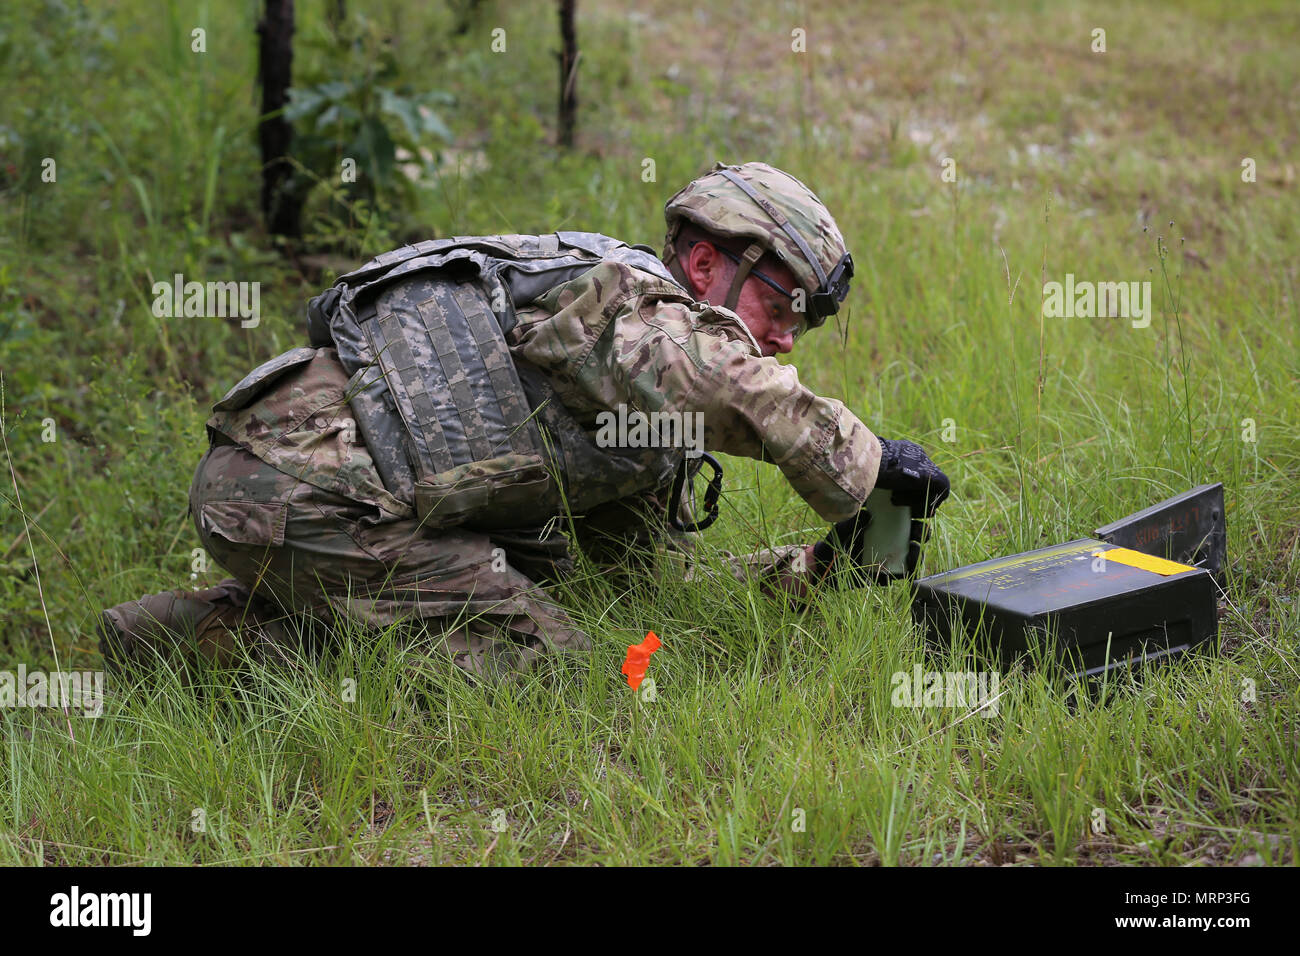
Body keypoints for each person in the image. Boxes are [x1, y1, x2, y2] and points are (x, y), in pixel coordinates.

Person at [98, 161, 950, 681]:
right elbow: (745, 393)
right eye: (781, 304)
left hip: (331, 492)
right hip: (296, 487)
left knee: (598, 620)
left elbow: (643, 584)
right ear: (703, 264)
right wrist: (875, 471)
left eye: (807, 322)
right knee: (555, 671)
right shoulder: (626, 314)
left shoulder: (640, 385)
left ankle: (167, 633)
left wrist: (814, 570)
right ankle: (208, 648)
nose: (789, 335)